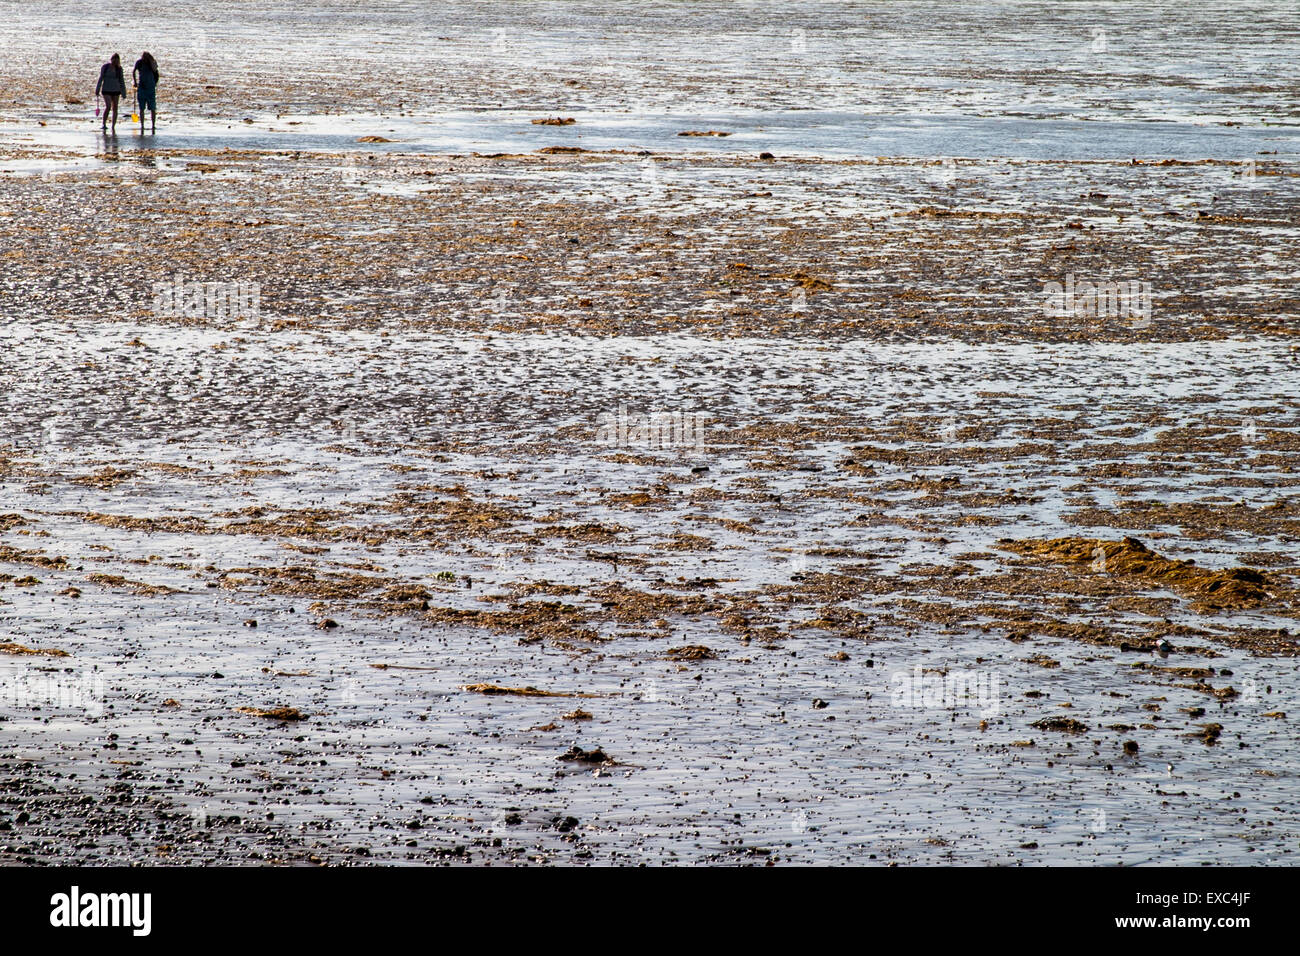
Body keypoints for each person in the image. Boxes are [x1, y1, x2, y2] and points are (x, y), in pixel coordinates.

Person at [95, 53, 125, 133]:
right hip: (106, 90)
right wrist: (97, 89)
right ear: (111, 59)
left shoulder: (119, 69)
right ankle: (104, 124)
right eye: (114, 59)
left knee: (115, 108)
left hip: (116, 90)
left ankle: (113, 126)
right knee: (108, 106)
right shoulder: (105, 67)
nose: (115, 61)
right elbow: (101, 78)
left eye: (117, 60)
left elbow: (122, 81)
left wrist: (123, 92)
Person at [133, 52, 159, 134]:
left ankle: (153, 125)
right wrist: (135, 82)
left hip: (150, 88)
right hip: (142, 87)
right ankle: (142, 125)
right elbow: (134, 71)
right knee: (141, 108)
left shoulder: (152, 63)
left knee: (152, 108)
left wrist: (151, 61)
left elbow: (156, 72)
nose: (145, 58)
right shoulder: (139, 62)